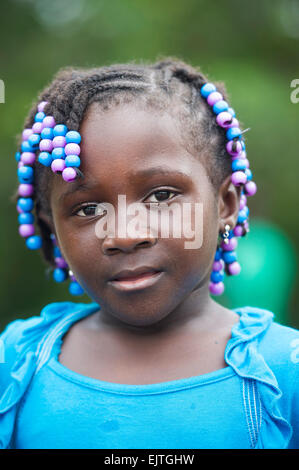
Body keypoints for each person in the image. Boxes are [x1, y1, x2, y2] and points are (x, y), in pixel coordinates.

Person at [0, 58, 298, 449]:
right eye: (87, 209)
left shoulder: (285, 372)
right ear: (53, 228)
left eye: (161, 195)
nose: (123, 234)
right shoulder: (16, 365)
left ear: (225, 203)